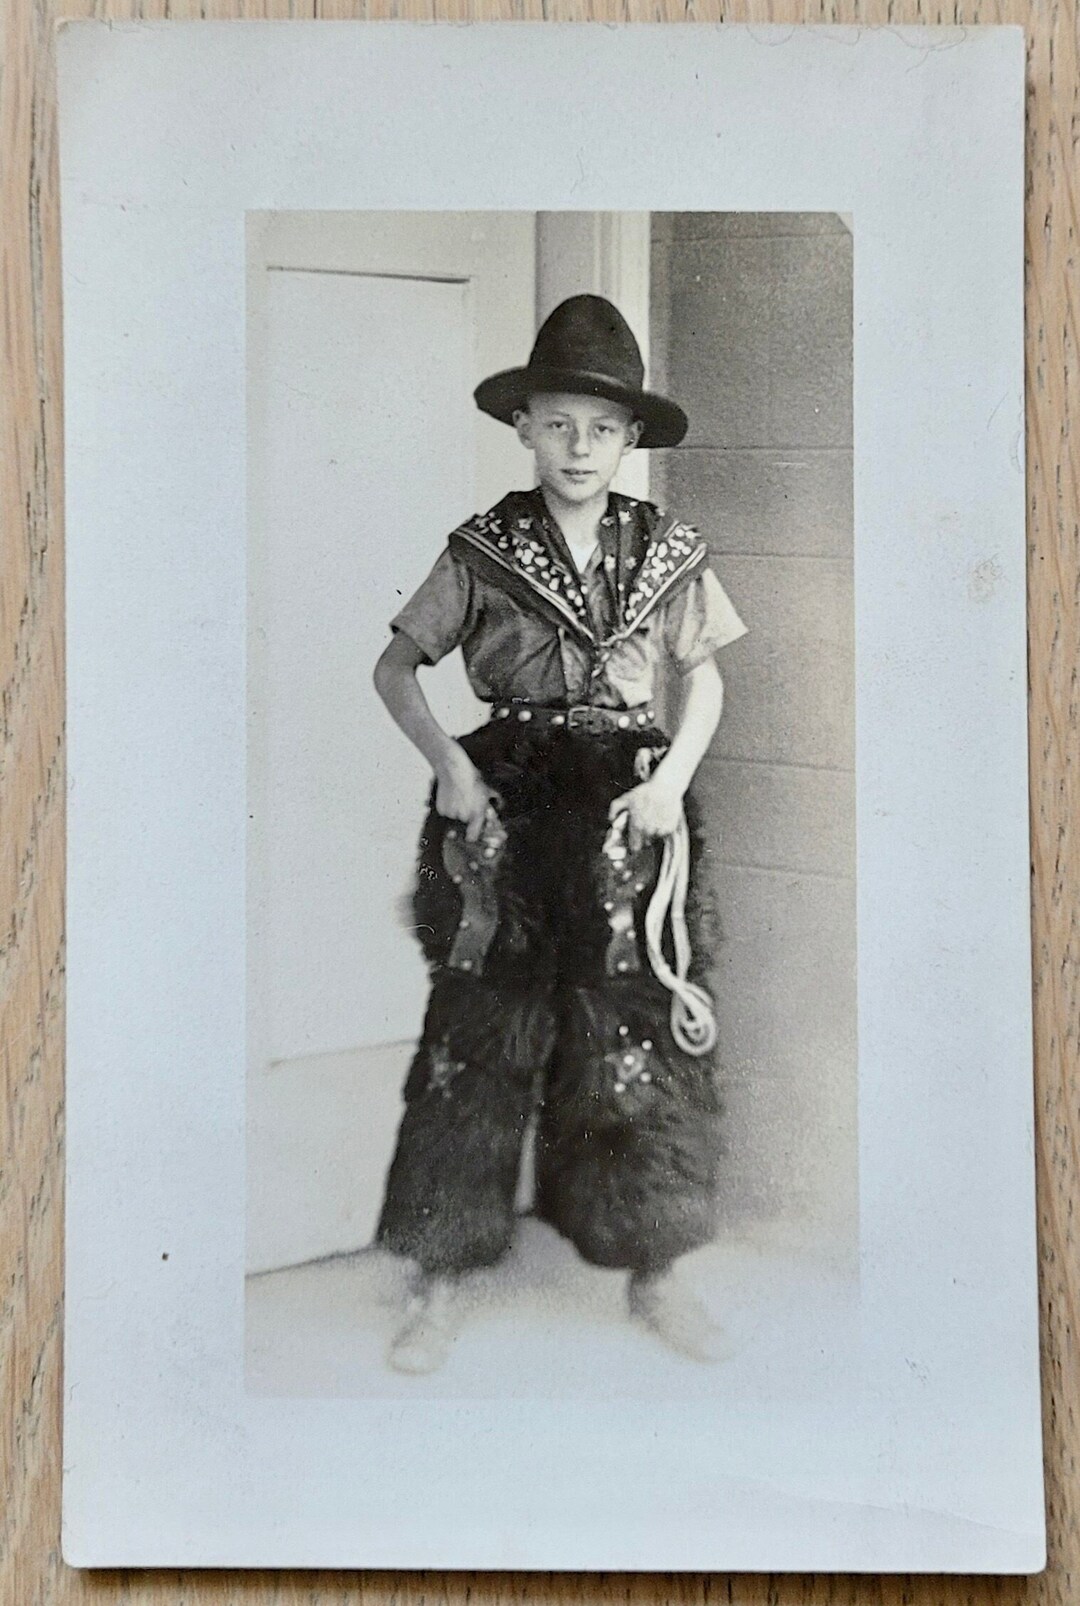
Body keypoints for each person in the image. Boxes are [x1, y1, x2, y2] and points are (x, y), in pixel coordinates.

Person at [371, 293, 747, 1374]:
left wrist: (672, 777)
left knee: (632, 1030)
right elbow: (394, 670)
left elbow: (705, 684)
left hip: (632, 810)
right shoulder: (483, 550)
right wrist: (449, 764)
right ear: (525, 427)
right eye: (559, 423)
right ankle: (437, 1279)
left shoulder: (667, 552)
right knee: (478, 1035)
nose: (580, 447)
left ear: (631, 440)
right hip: (506, 810)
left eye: (603, 428)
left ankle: (658, 1273)